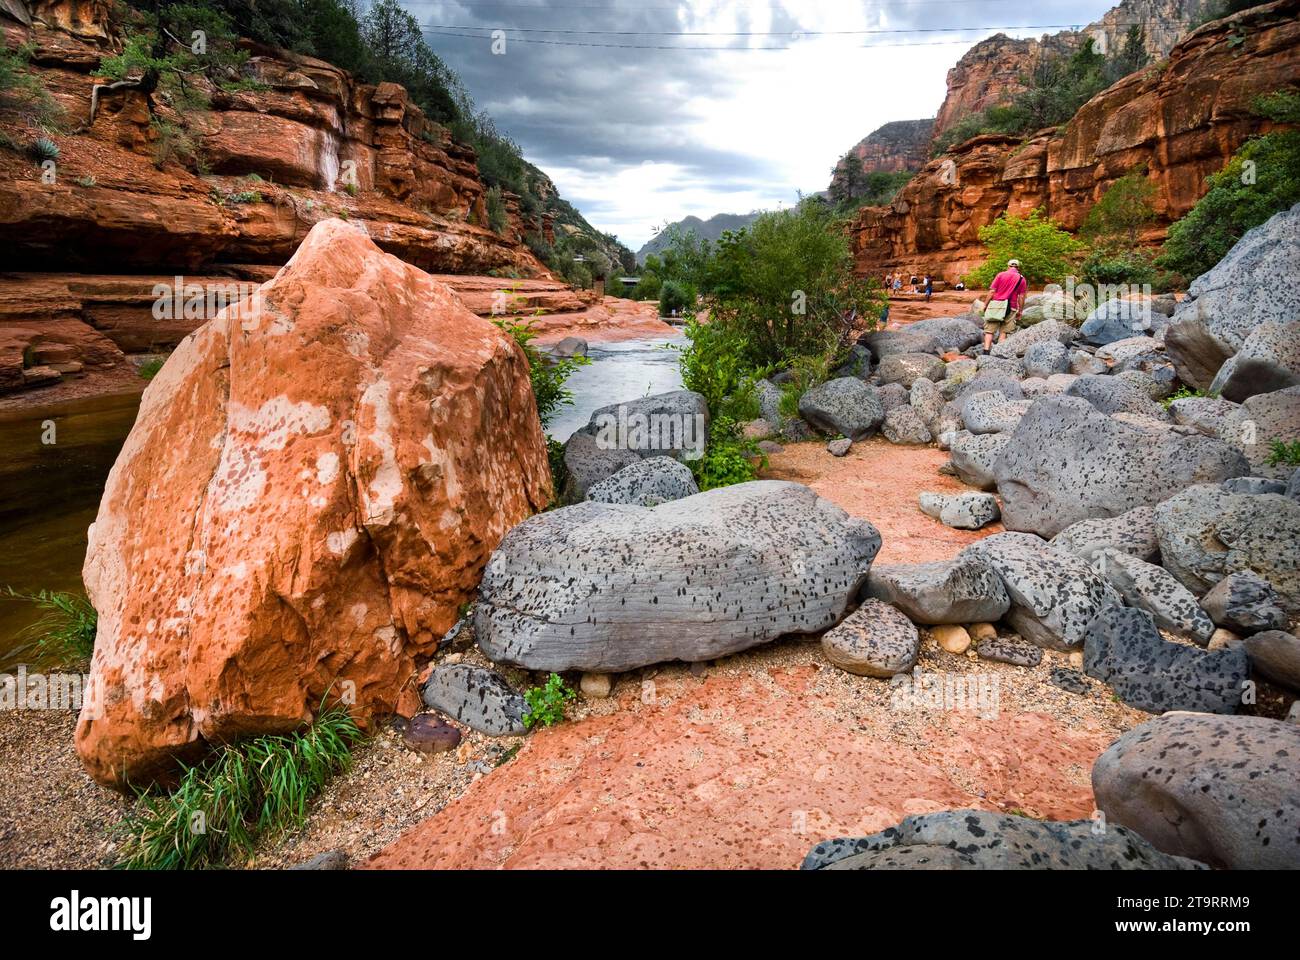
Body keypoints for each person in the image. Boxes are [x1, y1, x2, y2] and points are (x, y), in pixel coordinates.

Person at [982, 258, 1027, 353]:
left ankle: (986, 352)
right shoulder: (1022, 279)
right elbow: (1021, 297)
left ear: (1008, 266)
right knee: (1004, 331)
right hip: (1011, 307)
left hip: (996, 305)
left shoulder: (1000, 275)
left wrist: (985, 305)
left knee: (989, 330)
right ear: (1018, 268)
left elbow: (992, 291)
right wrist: (1020, 311)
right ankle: (999, 352)